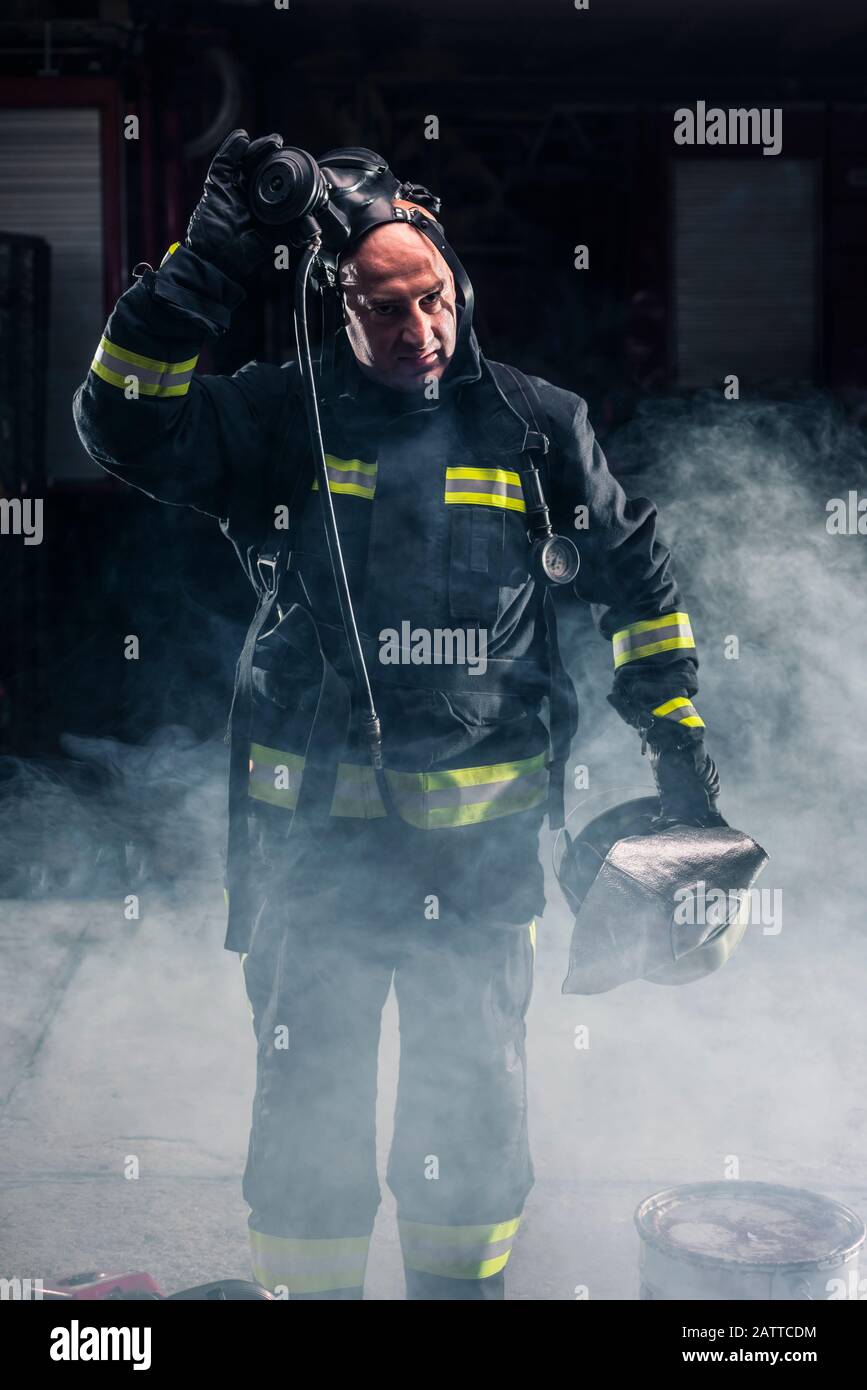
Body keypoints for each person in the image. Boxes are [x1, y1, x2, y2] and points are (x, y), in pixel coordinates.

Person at [73, 130, 721, 1301]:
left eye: (432, 299)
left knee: (468, 1123)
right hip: (310, 862)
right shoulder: (283, 421)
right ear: (341, 315)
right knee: (306, 1127)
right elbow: (121, 420)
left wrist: (683, 760)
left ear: (458, 288)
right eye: (383, 309)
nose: (417, 328)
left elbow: (637, 581)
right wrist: (204, 268)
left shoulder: (537, 428)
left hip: (480, 874)